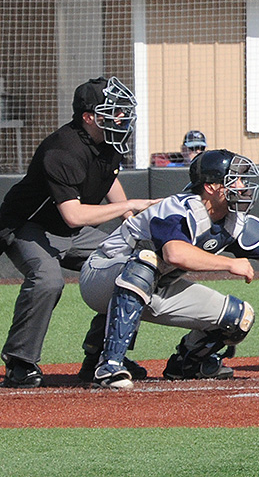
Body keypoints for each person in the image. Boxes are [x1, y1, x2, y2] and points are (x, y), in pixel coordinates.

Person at [79, 149, 259, 389]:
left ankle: (187, 364)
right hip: (103, 275)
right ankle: (109, 365)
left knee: (238, 317)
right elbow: (174, 253)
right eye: (235, 180)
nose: (243, 187)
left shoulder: (233, 220)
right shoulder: (179, 208)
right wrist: (230, 263)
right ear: (212, 187)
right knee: (145, 263)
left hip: (156, 286)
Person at [0, 77, 160, 388]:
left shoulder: (108, 139)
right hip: (29, 226)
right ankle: (20, 361)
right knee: (47, 281)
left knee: (135, 264)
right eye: (112, 110)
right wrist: (132, 204)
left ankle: (103, 355)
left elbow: (107, 178)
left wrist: (130, 218)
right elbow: (73, 216)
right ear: (89, 117)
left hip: (74, 229)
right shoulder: (62, 149)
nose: (121, 116)